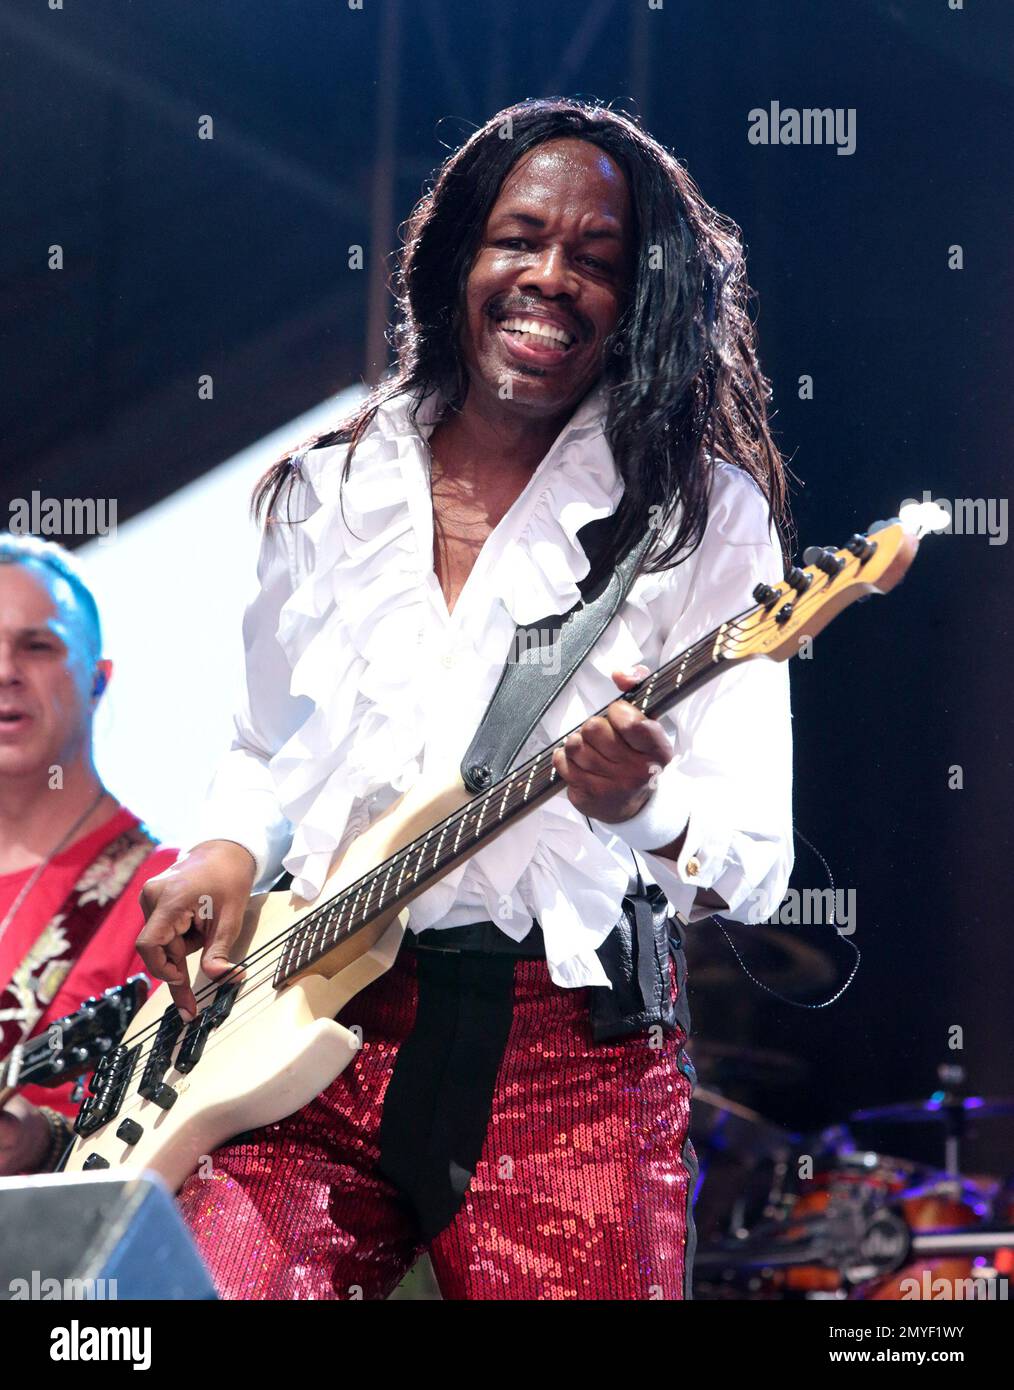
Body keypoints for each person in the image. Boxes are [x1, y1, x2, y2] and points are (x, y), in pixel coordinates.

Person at [137, 97, 794, 1300]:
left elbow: (754, 857)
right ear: (458, 262)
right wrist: (227, 845)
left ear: (640, 298)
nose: (551, 278)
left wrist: (643, 807)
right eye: (519, 240)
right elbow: (260, 740)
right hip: (314, 1017)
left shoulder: (701, 517)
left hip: (571, 1057)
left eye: (597, 260)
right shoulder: (327, 488)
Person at [0, 535, 177, 1175]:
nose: (4, 671)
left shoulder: (169, 891)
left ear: (98, 680)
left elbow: (193, 1139)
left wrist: (48, 1142)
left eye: (36, 645)